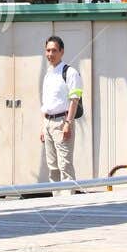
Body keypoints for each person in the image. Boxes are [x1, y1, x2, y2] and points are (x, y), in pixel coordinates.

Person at [37, 35, 82, 184]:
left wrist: (68, 123)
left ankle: (68, 198)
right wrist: (43, 127)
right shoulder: (48, 74)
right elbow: (47, 103)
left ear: (62, 51)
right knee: (53, 168)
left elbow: (74, 100)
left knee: (65, 166)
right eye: (48, 50)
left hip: (62, 122)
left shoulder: (70, 72)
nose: (50, 54)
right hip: (48, 123)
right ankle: (56, 198)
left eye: (54, 50)